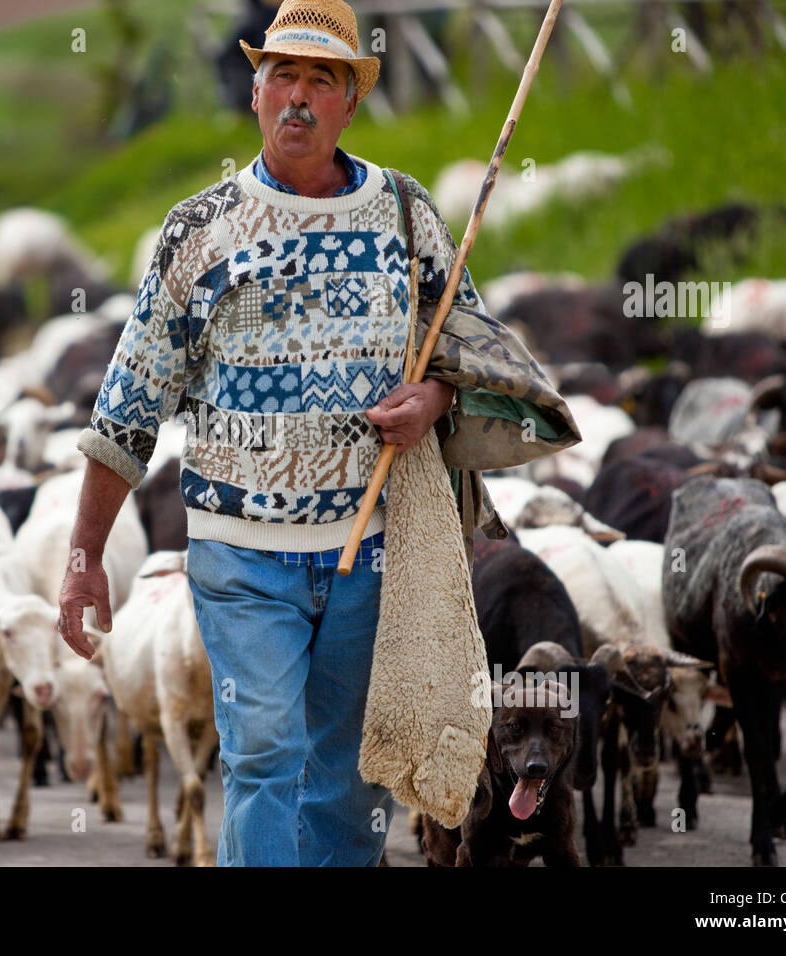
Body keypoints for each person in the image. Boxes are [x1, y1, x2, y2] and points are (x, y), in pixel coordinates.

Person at [58, 0, 578, 866]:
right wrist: (83, 558)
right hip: (239, 552)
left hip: (366, 549)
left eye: (322, 80)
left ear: (349, 102)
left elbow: (474, 347)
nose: (299, 97)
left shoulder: (404, 217)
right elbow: (127, 408)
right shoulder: (197, 231)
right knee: (265, 752)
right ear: (255, 93)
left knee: (345, 775)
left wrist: (436, 402)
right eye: (283, 76)